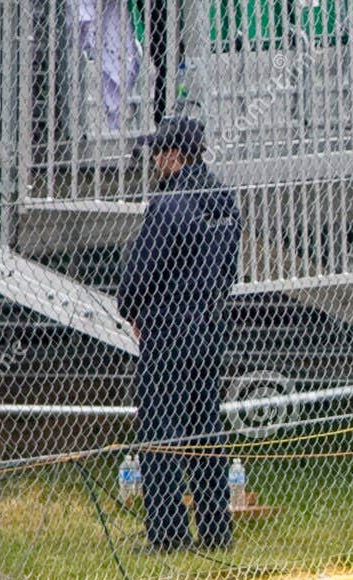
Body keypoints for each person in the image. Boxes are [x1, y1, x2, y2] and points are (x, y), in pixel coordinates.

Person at [118, 116, 241, 551]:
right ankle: (215, 530)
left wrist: (131, 308)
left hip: (168, 327)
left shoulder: (168, 205)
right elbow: (227, 271)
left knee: (160, 431)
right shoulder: (224, 203)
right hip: (209, 325)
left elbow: (140, 271)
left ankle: (169, 535)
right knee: (206, 428)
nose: (154, 159)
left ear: (174, 155)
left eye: (158, 152)